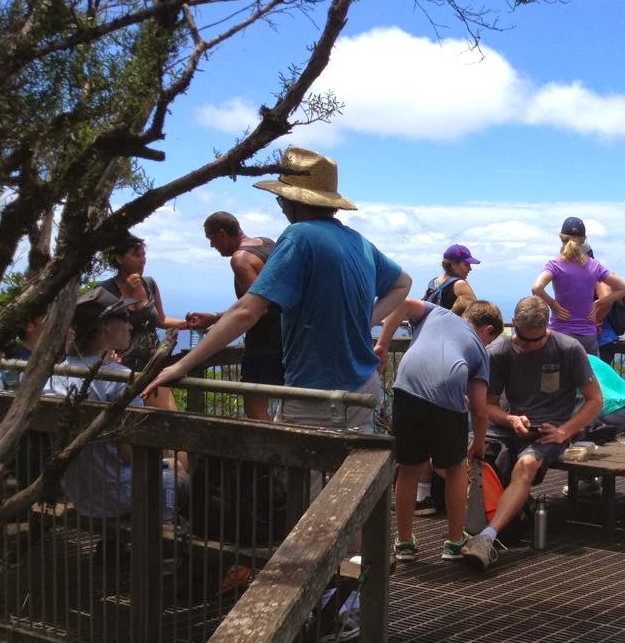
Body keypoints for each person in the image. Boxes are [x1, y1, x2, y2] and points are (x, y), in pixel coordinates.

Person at [147, 147, 412, 434]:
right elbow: (402, 283)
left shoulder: (299, 236)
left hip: (317, 396)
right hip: (364, 387)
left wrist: (181, 366)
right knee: (354, 473)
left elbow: (247, 311)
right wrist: (365, 320)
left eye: (280, 200)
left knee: (309, 476)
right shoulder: (358, 241)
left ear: (293, 201)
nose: (282, 207)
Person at [460, 296, 603, 570]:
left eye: (538, 340)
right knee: (470, 457)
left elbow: (594, 399)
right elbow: (486, 405)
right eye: (525, 341)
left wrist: (564, 431)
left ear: (547, 328)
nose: (531, 346)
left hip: (551, 432)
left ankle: (487, 538)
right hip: (509, 427)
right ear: (514, 327)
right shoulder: (499, 352)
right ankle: (465, 531)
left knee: (525, 465)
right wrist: (510, 418)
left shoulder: (569, 349)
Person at [375, 298, 503, 563]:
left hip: (406, 386)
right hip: (447, 397)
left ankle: (404, 543)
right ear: (488, 331)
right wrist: (478, 443)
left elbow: (401, 303)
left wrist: (383, 344)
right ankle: (455, 542)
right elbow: (480, 410)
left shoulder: (436, 312)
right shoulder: (480, 350)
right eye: (490, 340)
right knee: (456, 469)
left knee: (408, 467)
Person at [44, 288, 184, 521]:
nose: (130, 326)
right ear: (104, 325)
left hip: (77, 492)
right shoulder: (120, 380)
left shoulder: (56, 375)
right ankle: (164, 534)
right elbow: (131, 454)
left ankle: (115, 546)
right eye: (125, 318)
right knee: (176, 472)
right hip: (118, 495)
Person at [187, 211, 284, 421]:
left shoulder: (240, 259)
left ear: (221, 234)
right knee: (290, 402)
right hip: (290, 335)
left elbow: (258, 309)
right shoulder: (267, 243)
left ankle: (270, 452)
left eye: (211, 239)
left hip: (265, 343)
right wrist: (215, 318)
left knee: (255, 407)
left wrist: (221, 327)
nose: (212, 246)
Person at [101, 235, 189, 410]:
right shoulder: (104, 290)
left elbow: (161, 320)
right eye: (136, 255)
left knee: (167, 417)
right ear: (119, 258)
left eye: (143, 255)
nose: (142, 260)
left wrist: (190, 324)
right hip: (119, 368)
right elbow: (101, 328)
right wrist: (125, 293)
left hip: (151, 365)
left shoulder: (149, 284)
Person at [531, 217, 625, 354]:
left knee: (557, 375)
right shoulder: (594, 266)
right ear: (583, 240)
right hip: (588, 337)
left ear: (561, 238)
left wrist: (553, 305)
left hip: (560, 335)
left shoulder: (555, 265)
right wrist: (597, 303)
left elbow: (536, 288)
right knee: (590, 375)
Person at [423, 244, 480, 309]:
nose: (470, 269)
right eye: (466, 265)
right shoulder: (460, 284)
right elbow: (478, 312)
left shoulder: (432, 283)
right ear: (453, 265)